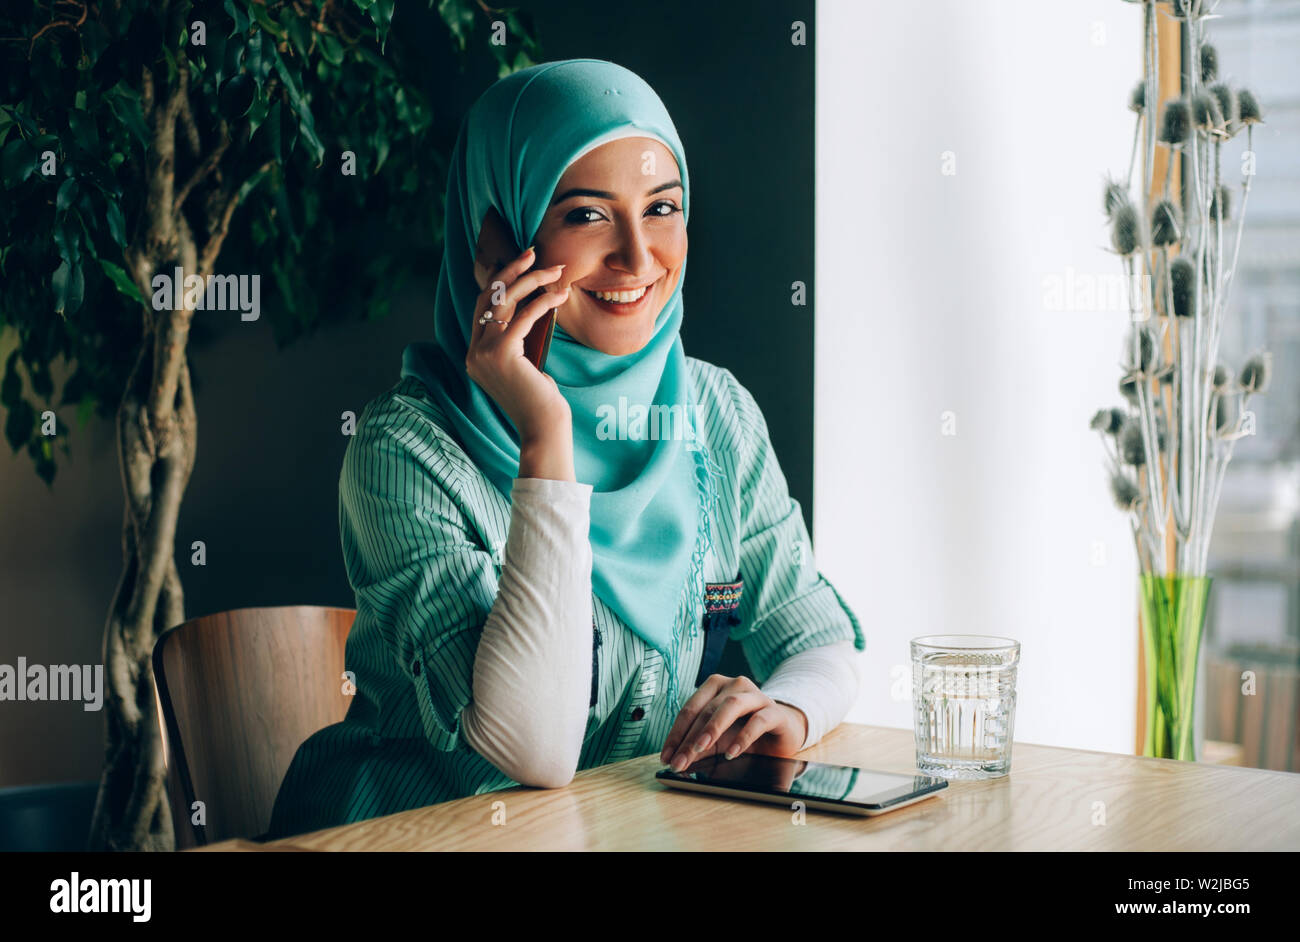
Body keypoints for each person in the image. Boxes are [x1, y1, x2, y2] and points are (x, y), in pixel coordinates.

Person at [266, 58, 864, 840]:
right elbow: (534, 748)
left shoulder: (714, 414)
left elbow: (819, 638)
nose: (638, 257)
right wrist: (546, 437)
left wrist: (785, 709)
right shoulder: (405, 450)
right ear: (498, 233)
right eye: (587, 215)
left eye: (662, 208)